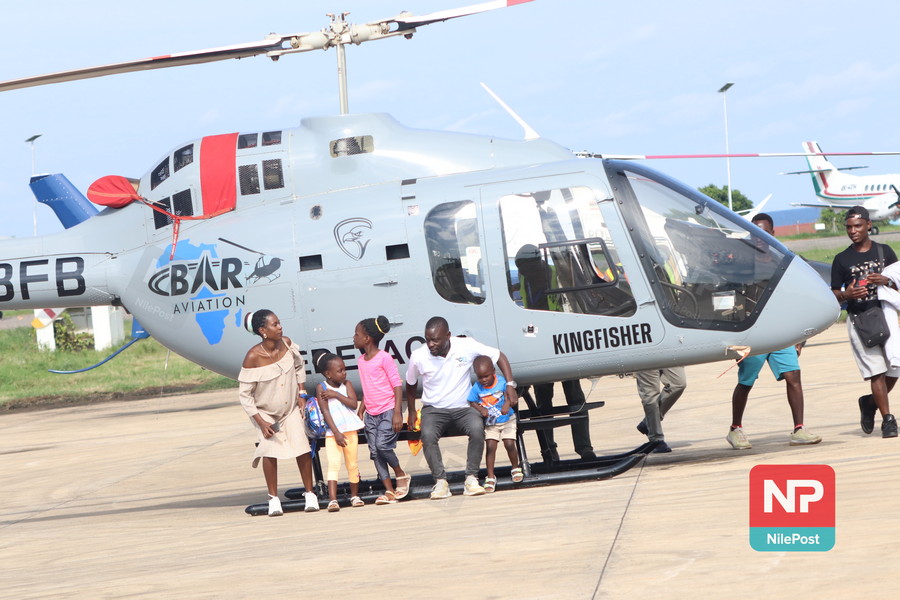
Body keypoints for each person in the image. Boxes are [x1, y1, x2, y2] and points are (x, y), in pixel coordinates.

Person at [726, 213, 823, 449]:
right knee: (746, 382)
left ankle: (799, 429)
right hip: (754, 334)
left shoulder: (785, 262)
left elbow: (799, 299)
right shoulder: (743, 265)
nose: (760, 239)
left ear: (773, 233)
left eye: (765, 233)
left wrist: (801, 337)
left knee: (793, 377)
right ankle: (735, 429)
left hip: (780, 332)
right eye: (756, 234)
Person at [405, 316, 518, 499]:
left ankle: (471, 478)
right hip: (434, 408)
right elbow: (410, 383)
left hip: (464, 407)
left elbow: (499, 356)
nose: (431, 344)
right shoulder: (419, 356)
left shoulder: (466, 345)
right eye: (427, 340)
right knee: (427, 435)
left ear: (448, 336)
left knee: (476, 429)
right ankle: (440, 482)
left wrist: (510, 385)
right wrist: (411, 411)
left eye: (435, 340)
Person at [238, 309, 318, 516]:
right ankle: (273, 499)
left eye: (279, 323)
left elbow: (300, 366)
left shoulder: (288, 345)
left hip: (290, 408)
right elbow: (245, 396)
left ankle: (310, 493)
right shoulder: (253, 357)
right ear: (263, 330)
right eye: (275, 324)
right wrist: (260, 422)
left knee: (302, 447)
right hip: (266, 414)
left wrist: (301, 392)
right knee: (269, 451)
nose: (280, 327)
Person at [831, 206, 899, 438]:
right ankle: (888, 420)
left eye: (858, 226)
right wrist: (846, 296)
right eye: (849, 227)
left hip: (886, 316)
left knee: (893, 370)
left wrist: (885, 280)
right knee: (876, 372)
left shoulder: (885, 251)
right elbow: (833, 293)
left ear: (869, 225)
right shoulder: (841, 259)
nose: (853, 231)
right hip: (860, 321)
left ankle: (869, 403)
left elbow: (898, 282)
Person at [353, 315, 412, 504]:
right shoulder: (361, 361)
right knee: (375, 452)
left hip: (387, 410)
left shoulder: (384, 358)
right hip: (371, 413)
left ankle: (401, 474)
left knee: (382, 446)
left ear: (367, 338)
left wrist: (397, 412)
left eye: (356, 334)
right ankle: (389, 491)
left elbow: (396, 385)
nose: (353, 338)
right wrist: (361, 408)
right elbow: (366, 387)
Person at [314, 351, 366, 512]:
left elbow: (352, 404)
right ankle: (333, 500)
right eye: (339, 371)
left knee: (352, 464)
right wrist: (335, 432)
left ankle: (355, 496)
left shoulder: (347, 385)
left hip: (350, 430)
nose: (344, 373)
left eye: (344, 369)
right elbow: (325, 411)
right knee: (334, 464)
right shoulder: (321, 387)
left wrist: (336, 394)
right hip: (333, 433)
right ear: (328, 374)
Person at [468, 355, 523, 492]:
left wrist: (507, 404)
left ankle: (515, 467)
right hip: (492, 423)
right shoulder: (477, 388)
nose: (484, 380)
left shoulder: (502, 382)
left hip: (507, 419)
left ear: (493, 370)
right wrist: (480, 408)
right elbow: (471, 401)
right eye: (480, 377)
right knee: (491, 447)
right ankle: (490, 476)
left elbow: (509, 395)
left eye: (487, 376)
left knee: (509, 443)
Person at [635, 367, 686, 453]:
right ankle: (656, 438)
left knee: (679, 384)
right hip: (643, 356)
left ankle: (648, 423)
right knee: (650, 396)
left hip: (669, 353)